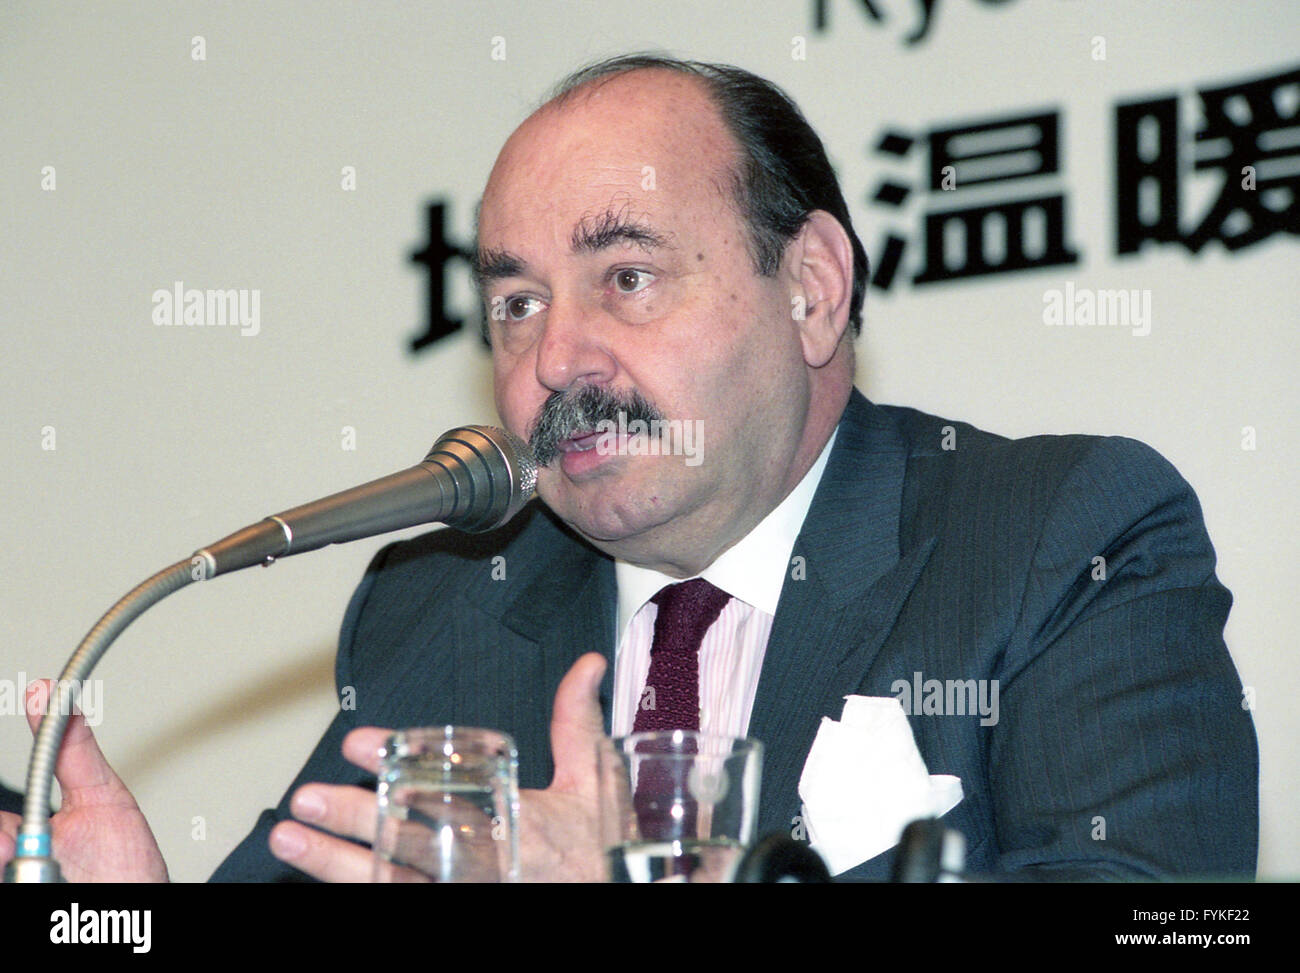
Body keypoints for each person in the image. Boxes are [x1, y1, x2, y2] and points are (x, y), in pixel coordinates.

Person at [1, 55, 1257, 883]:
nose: (555, 357)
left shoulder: (1058, 539)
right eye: (514, 302)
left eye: (627, 278)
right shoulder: (445, 606)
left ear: (811, 289)